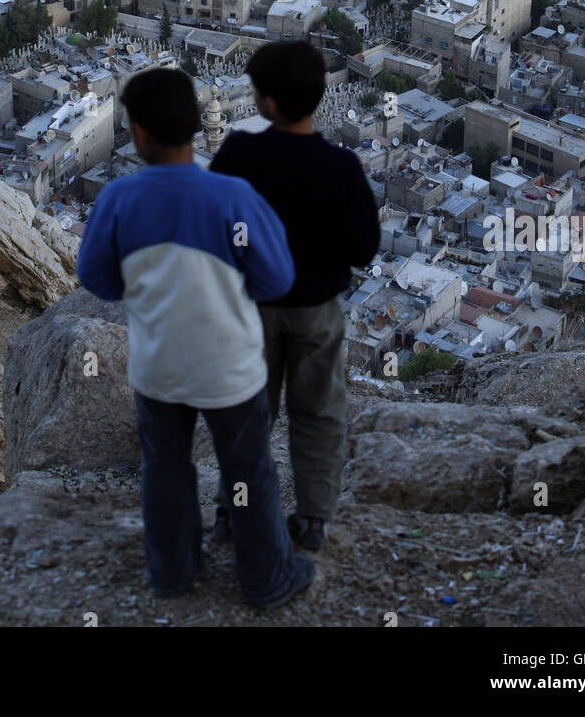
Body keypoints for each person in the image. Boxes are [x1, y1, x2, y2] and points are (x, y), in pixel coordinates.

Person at [77, 66, 314, 609]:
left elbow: (98, 279)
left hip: (159, 367)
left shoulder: (119, 200)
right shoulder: (234, 198)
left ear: (139, 134)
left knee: (165, 469)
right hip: (229, 367)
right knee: (248, 472)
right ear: (193, 125)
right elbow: (276, 278)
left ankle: (172, 572)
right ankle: (265, 579)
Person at [210, 40, 381, 552]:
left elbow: (214, 225)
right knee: (319, 413)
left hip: (251, 310)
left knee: (247, 417)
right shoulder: (341, 166)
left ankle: (231, 515)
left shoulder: (240, 152)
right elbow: (364, 248)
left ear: (265, 103)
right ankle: (313, 521)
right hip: (316, 310)